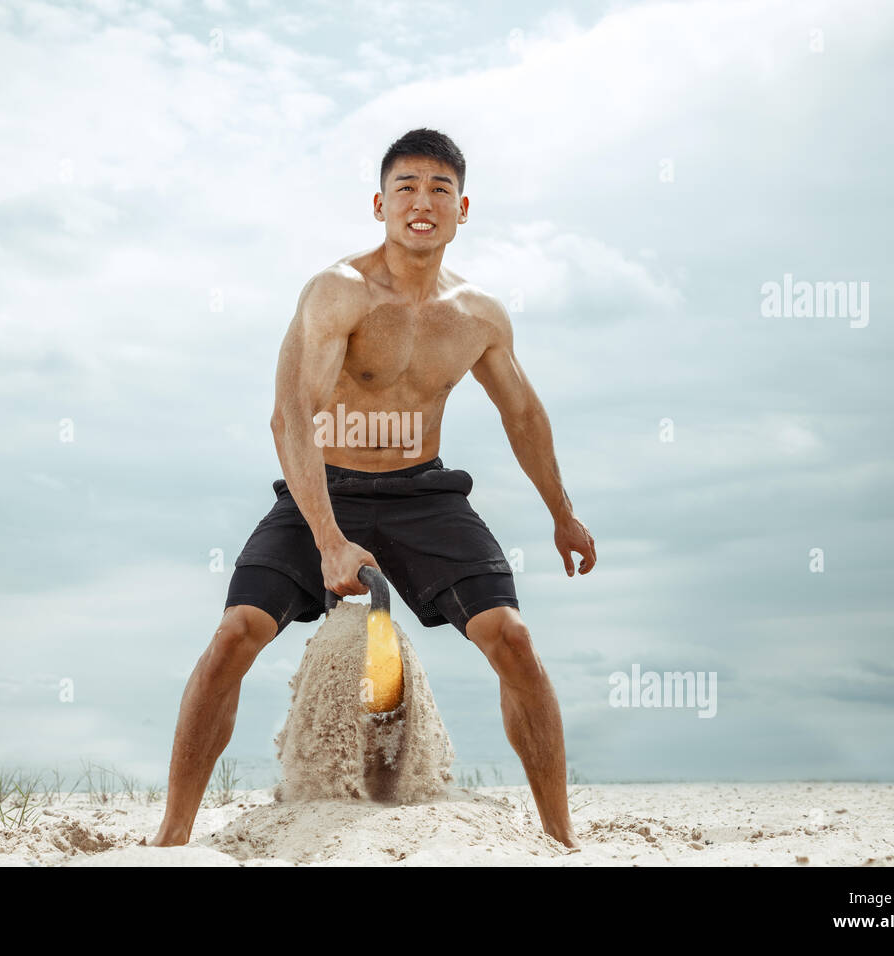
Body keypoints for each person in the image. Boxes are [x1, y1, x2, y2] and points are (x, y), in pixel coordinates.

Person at [152, 128, 596, 849]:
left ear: (463, 208)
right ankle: (172, 836)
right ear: (380, 204)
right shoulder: (340, 292)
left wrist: (563, 514)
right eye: (406, 188)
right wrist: (327, 540)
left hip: (426, 495)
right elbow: (290, 415)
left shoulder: (478, 315)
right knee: (235, 634)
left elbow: (522, 413)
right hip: (322, 487)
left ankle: (562, 840)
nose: (423, 202)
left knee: (512, 639)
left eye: (439, 190)